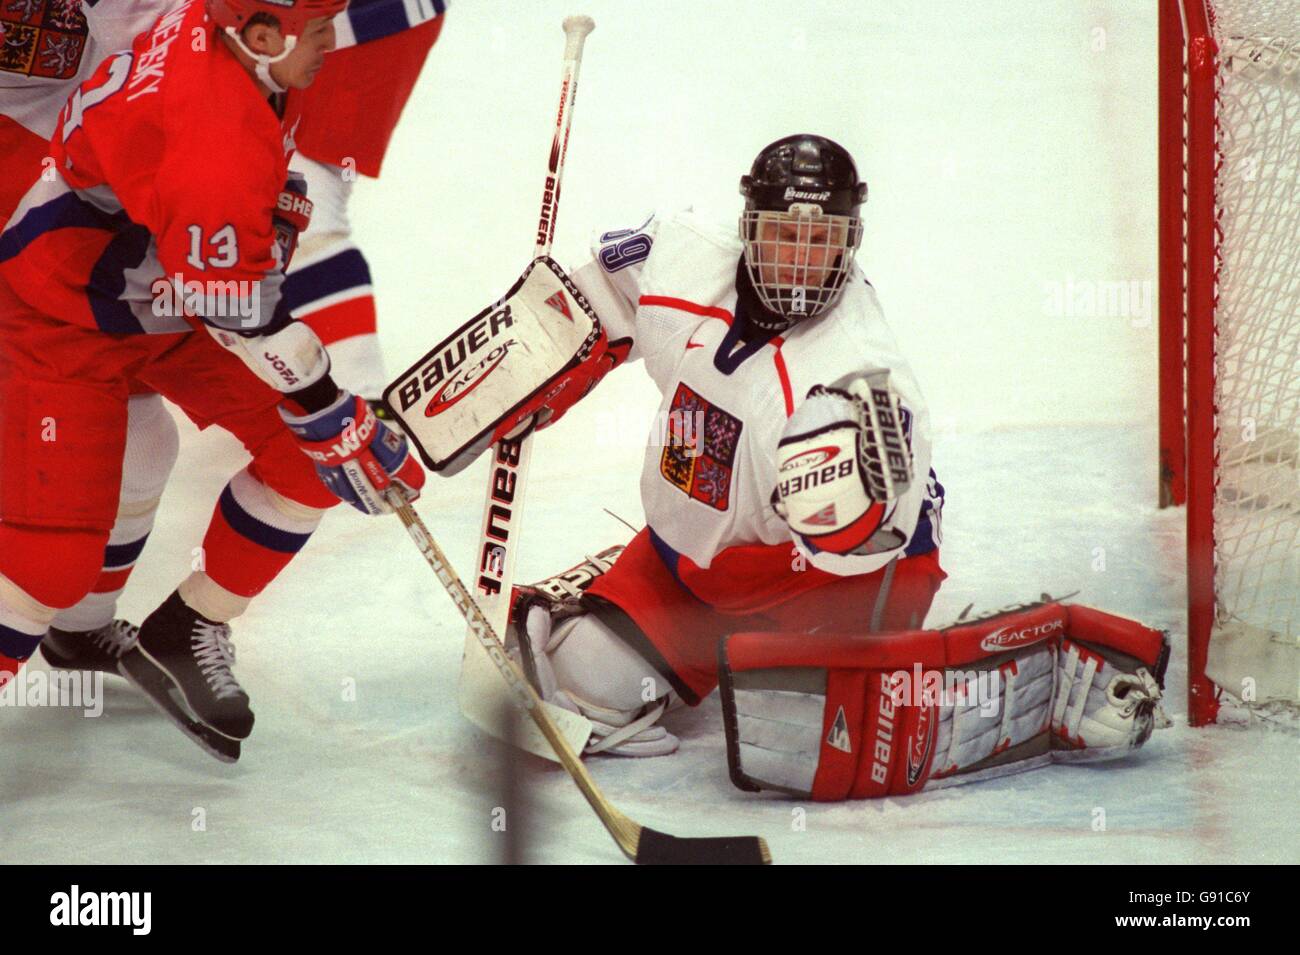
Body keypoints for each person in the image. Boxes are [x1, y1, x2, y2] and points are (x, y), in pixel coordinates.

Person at [0, 0, 424, 756]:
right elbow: (245, 317)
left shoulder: (237, 42)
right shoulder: (211, 136)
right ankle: (64, 618)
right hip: (63, 311)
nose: (335, 41)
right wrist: (333, 411)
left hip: (160, 296)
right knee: (47, 561)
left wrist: (279, 210)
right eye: (320, 27)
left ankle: (186, 623)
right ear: (260, 37)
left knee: (303, 466)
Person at [502, 135, 947, 756]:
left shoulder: (859, 377)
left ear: (850, 243)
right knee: (584, 684)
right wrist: (531, 354)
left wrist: (847, 514)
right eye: (785, 235)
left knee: (816, 739)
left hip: (813, 584)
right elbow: (584, 300)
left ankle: (900, 676)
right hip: (693, 557)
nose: (800, 262)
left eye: (821, 242)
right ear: (748, 229)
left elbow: (874, 536)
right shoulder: (684, 257)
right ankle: (642, 593)